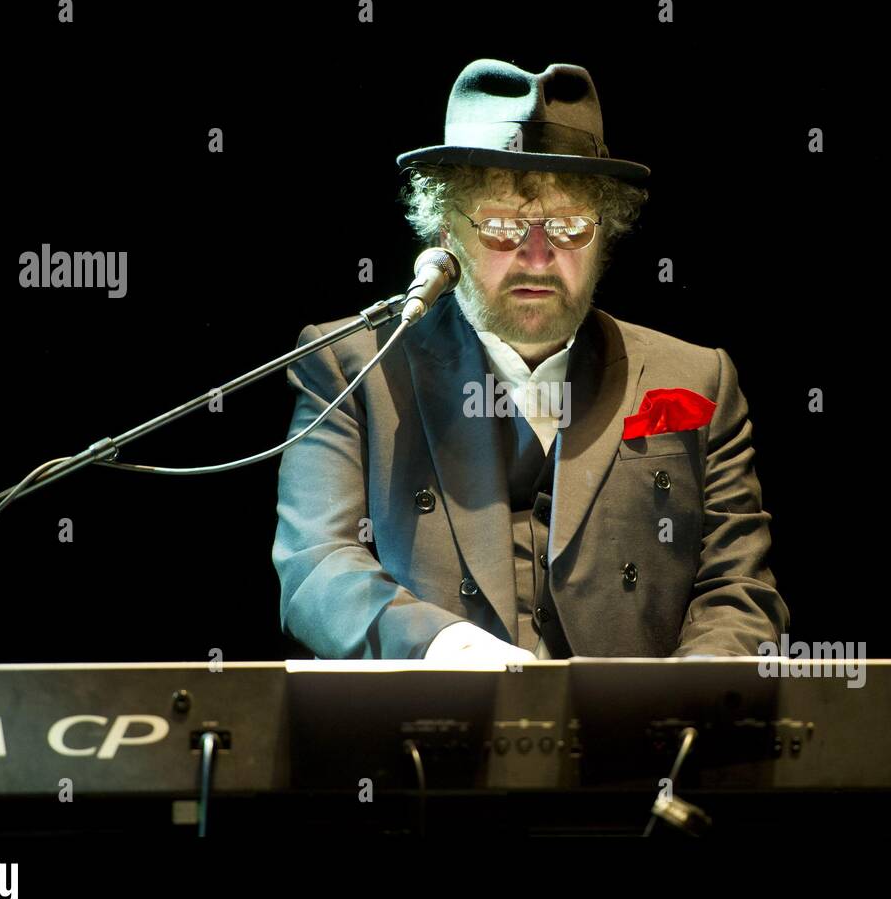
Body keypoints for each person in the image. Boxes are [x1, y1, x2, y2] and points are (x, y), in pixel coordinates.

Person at [273, 59, 789, 661]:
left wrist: (665, 710)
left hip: (638, 746)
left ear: (605, 235)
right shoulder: (352, 368)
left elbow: (739, 591)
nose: (538, 257)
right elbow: (317, 568)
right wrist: (443, 648)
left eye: (569, 225)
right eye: (500, 224)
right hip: (425, 735)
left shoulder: (698, 379)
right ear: (444, 233)